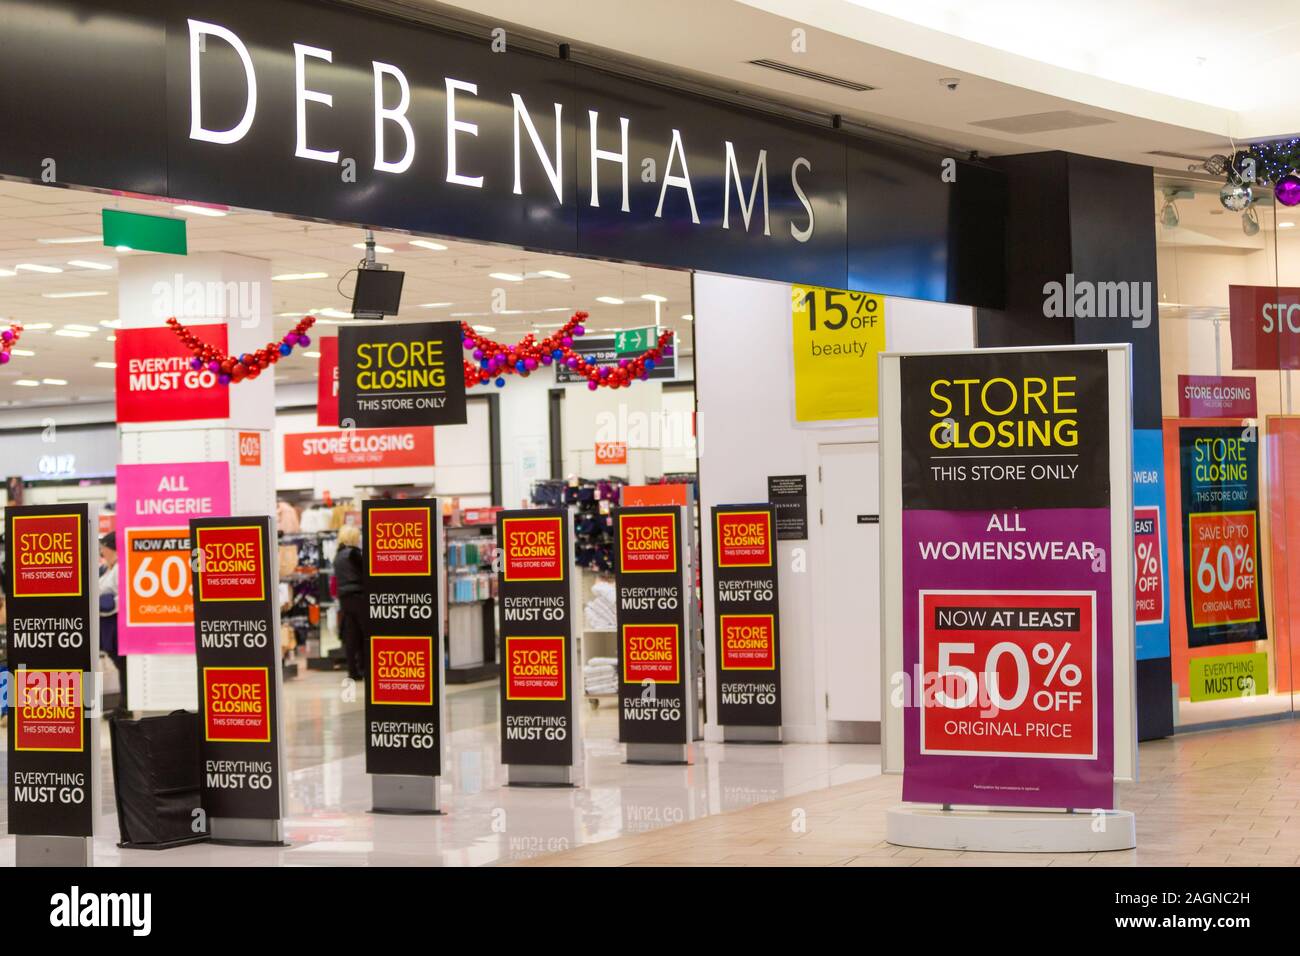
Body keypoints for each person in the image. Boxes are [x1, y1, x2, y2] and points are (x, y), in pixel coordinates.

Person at [333, 524, 367, 681]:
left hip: (345, 598)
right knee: (365, 633)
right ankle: (365, 668)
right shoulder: (354, 553)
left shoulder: (338, 555)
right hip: (358, 596)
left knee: (351, 635)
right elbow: (366, 572)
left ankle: (352, 671)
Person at [99, 532, 128, 718]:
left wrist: (106, 602)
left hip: (117, 624)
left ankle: (125, 706)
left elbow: (123, 595)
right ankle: (123, 704)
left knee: (124, 665)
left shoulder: (120, 569)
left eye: (103, 548)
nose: (101, 551)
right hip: (108, 624)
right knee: (121, 665)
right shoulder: (109, 569)